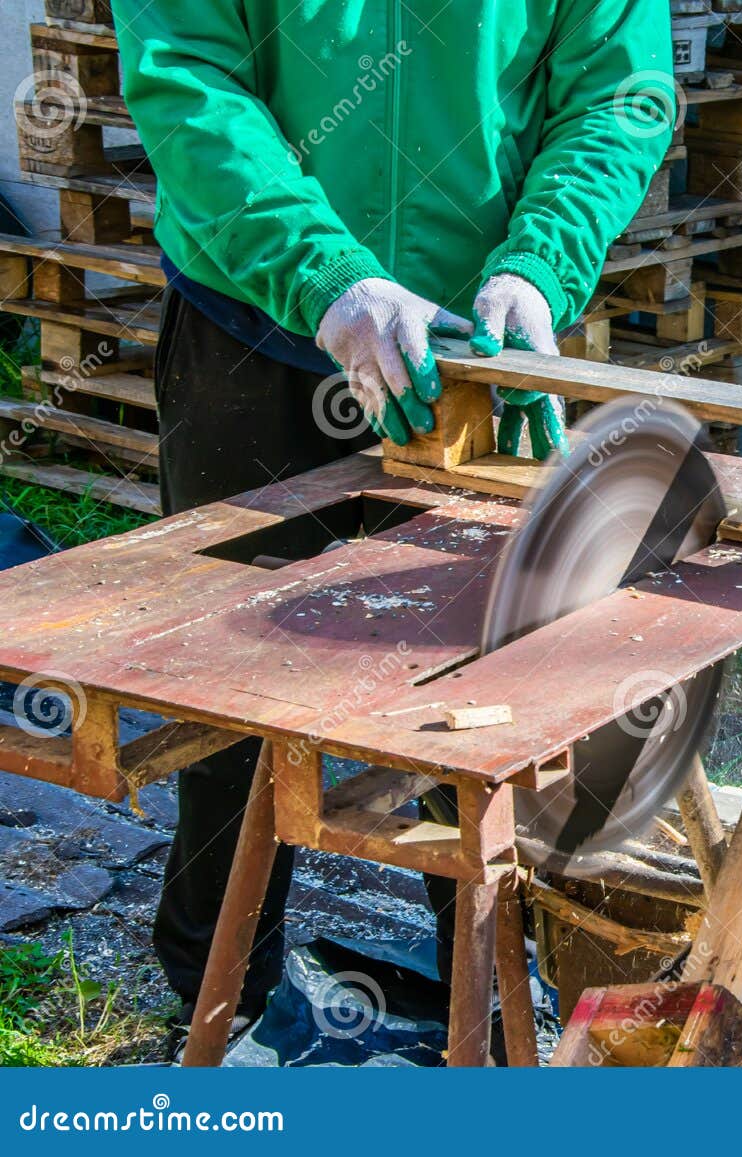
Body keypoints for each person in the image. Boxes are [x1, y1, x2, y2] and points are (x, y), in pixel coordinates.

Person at [112, 0, 673, 1031]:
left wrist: (540, 262)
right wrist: (324, 273)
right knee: (225, 687)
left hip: (478, 345)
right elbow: (189, 79)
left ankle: (498, 1003)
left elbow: (615, 92)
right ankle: (218, 1000)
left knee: (486, 695)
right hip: (259, 317)